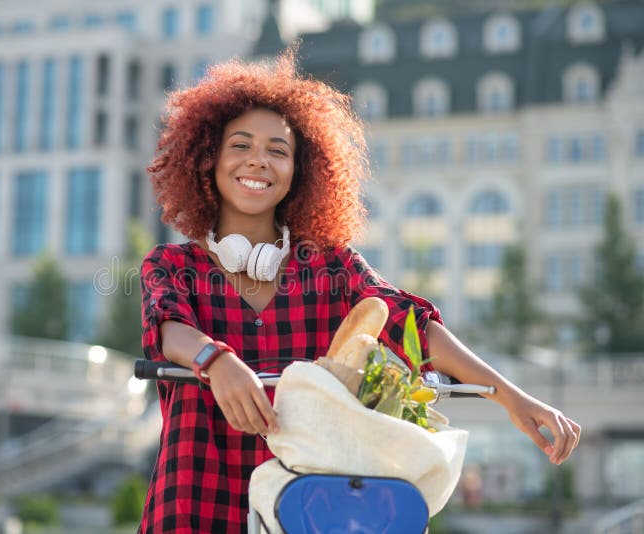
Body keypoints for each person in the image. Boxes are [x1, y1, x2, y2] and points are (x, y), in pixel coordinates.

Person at [138, 49, 580, 533]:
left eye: (278, 150)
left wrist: (511, 397)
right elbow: (168, 328)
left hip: (308, 510)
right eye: (240, 145)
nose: (258, 161)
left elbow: (411, 326)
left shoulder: (332, 266)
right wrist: (214, 361)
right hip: (196, 505)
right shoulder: (171, 264)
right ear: (207, 159)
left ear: (300, 171)